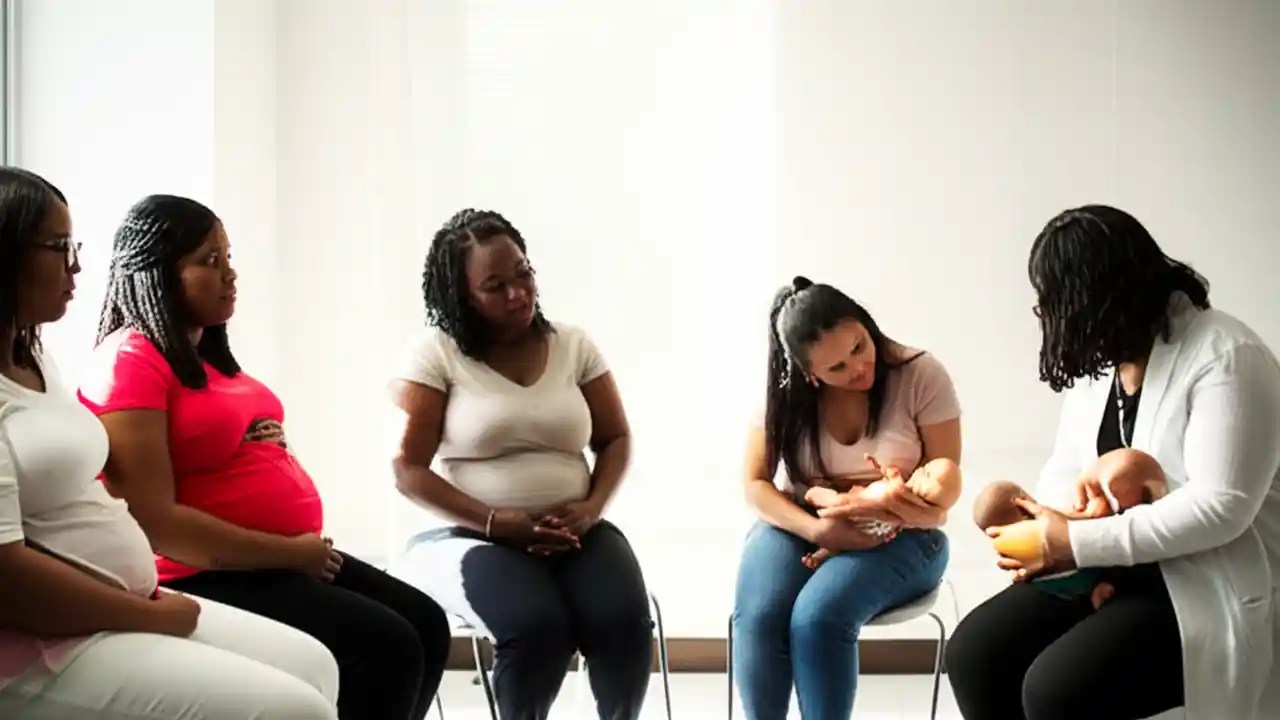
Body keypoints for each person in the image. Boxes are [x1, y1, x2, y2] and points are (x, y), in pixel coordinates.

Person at [75, 194, 450, 720]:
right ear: (158, 272)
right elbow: (155, 522)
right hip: (196, 572)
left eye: (229, 258)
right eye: (209, 261)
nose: (230, 275)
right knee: (385, 646)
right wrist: (292, 553)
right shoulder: (128, 361)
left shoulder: (206, 360)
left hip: (276, 558)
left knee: (427, 622)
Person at [0, 167, 339, 719]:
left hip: (125, 599)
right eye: (59, 246)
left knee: (318, 665)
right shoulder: (129, 358)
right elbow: (9, 580)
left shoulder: (34, 356)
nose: (78, 265)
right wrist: (151, 615)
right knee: (301, 709)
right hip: (42, 642)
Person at [945, 205, 1280, 720]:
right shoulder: (1105, 361)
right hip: (1108, 564)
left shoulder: (1227, 355)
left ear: (1100, 299)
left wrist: (1073, 541)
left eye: (1056, 303)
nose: (1048, 316)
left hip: (1202, 577)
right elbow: (1065, 470)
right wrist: (1045, 527)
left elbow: (1222, 508)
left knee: (1057, 690)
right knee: (975, 655)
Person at [387, 209, 653, 720]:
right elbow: (408, 469)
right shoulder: (436, 354)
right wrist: (493, 521)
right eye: (495, 285)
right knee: (536, 627)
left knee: (622, 620)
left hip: (575, 528)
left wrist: (593, 508)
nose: (518, 293)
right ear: (462, 295)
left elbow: (615, 437)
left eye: (523, 274)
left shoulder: (572, 344)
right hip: (467, 535)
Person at [732, 276, 959, 720]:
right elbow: (755, 484)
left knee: (817, 619)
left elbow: (942, 495)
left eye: (858, 346)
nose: (858, 368)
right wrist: (819, 528)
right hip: (802, 521)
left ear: (864, 323)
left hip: (903, 532)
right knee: (759, 620)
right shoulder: (782, 393)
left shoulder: (919, 374)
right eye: (836, 368)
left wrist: (875, 507)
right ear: (808, 373)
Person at [973, 448, 1168, 606]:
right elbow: (1085, 523)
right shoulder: (1047, 518)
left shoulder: (1018, 537)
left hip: (1067, 584)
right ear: (1022, 502)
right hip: (1072, 580)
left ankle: (1096, 590)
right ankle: (1096, 590)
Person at [804, 454, 962, 569]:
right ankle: (819, 556)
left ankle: (814, 496)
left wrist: (887, 470)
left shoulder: (901, 489)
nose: (920, 468)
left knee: (834, 501)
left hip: (858, 507)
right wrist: (879, 467)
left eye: (926, 471)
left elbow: (892, 476)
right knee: (841, 541)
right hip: (871, 533)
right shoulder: (912, 514)